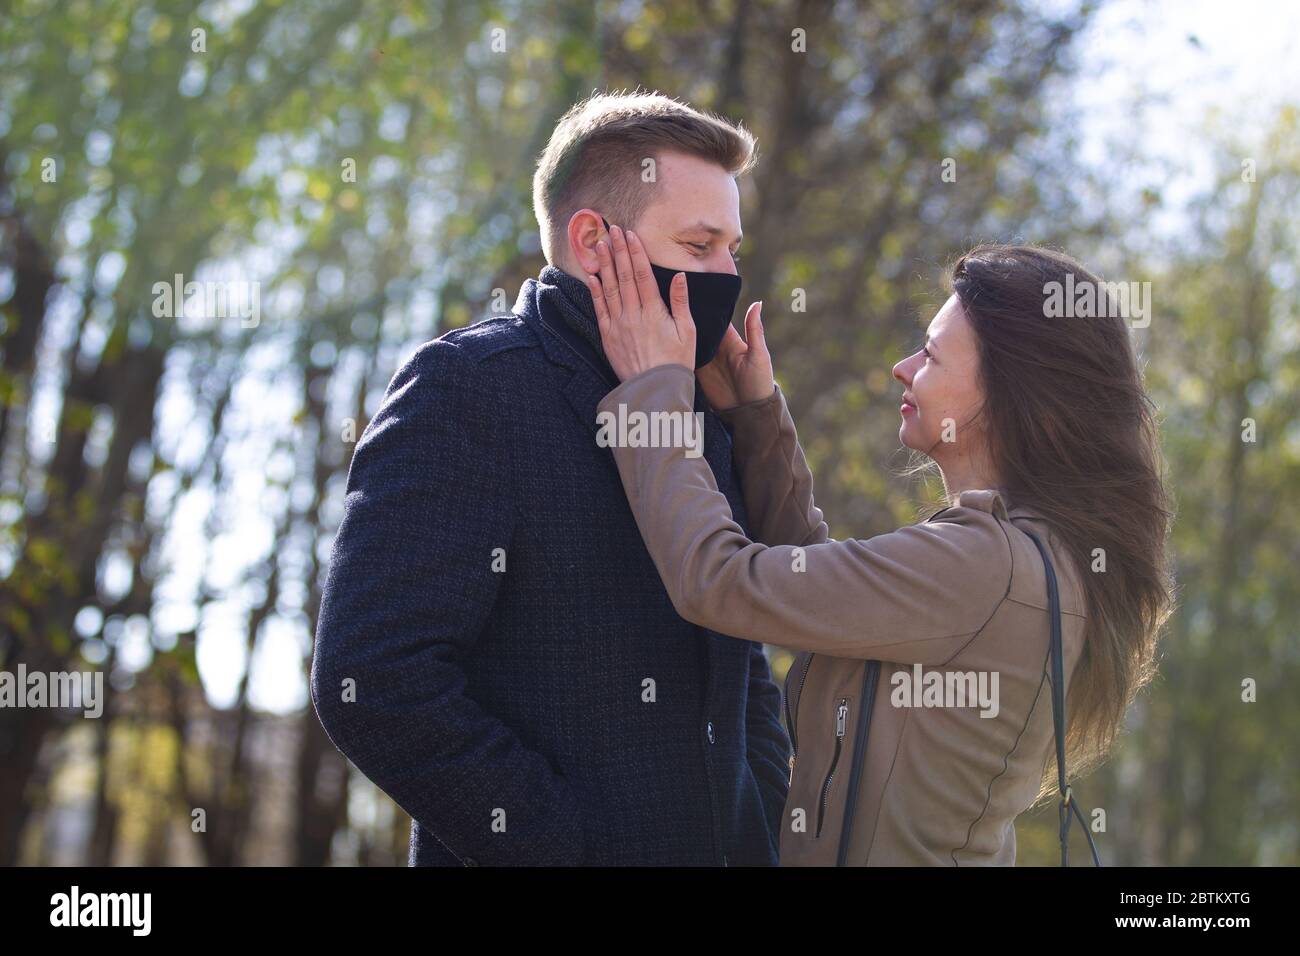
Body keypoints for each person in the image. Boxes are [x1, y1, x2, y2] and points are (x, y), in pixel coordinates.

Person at [311, 91, 790, 866]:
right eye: (700, 246)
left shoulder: (703, 407)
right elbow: (374, 679)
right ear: (594, 241)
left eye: (733, 249)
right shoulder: (468, 388)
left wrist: (759, 828)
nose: (727, 275)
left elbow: (742, 674)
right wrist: (569, 850)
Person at [586, 238, 1173, 865]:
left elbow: (718, 580)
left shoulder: (988, 565)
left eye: (931, 354)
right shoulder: (1028, 558)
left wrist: (653, 394)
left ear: (1008, 393)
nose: (904, 366)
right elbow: (822, 602)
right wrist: (756, 416)